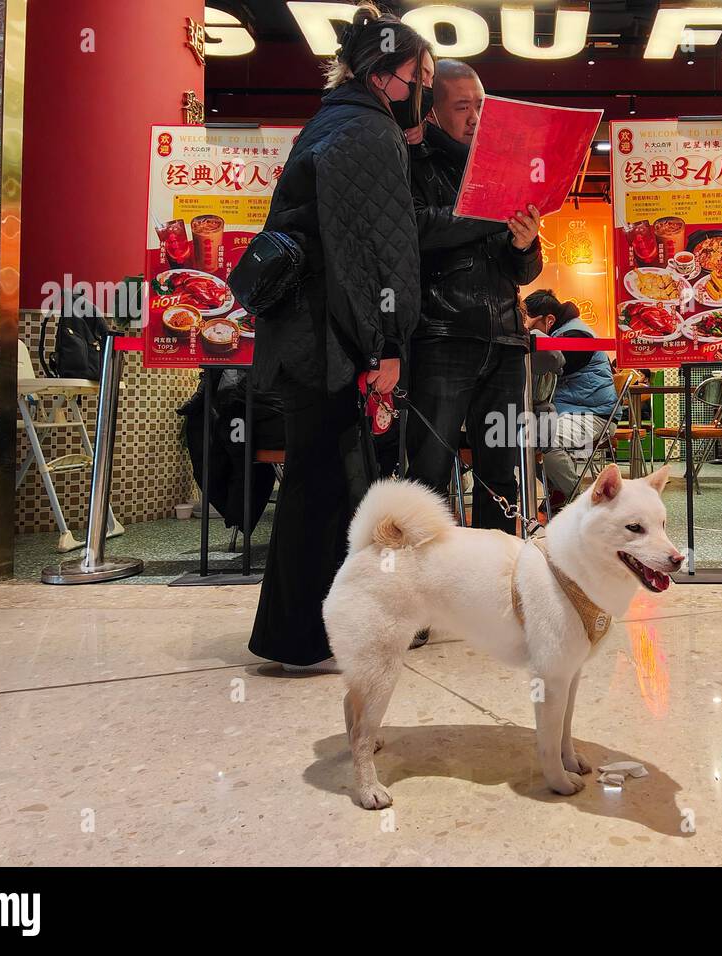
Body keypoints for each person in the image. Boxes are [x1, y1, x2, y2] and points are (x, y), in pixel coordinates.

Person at [247, 5, 431, 672]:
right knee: (323, 485)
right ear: (386, 75)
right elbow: (376, 253)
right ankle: (300, 640)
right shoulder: (367, 133)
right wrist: (386, 343)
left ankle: (305, 633)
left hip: (304, 331)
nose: (420, 92)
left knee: (318, 482)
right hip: (329, 337)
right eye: (417, 78)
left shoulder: (332, 121)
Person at [403, 58, 543, 533]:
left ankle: (499, 582)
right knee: (429, 473)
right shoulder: (414, 163)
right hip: (441, 337)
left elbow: (524, 272)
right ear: (433, 113)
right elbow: (419, 229)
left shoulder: (503, 167)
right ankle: (425, 585)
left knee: (501, 474)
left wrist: (524, 243)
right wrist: (492, 212)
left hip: (506, 341)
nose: (475, 118)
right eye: (462, 107)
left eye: (481, 106)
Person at [522, 290, 618, 509]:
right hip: (569, 412)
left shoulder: (576, 336)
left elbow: (551, 362)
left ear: (549, 320)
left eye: (529, 324)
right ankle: (558, 490)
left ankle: (584, 504)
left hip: (594, 414)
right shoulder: (562, 332)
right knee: (519, 441)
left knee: (549, 441)